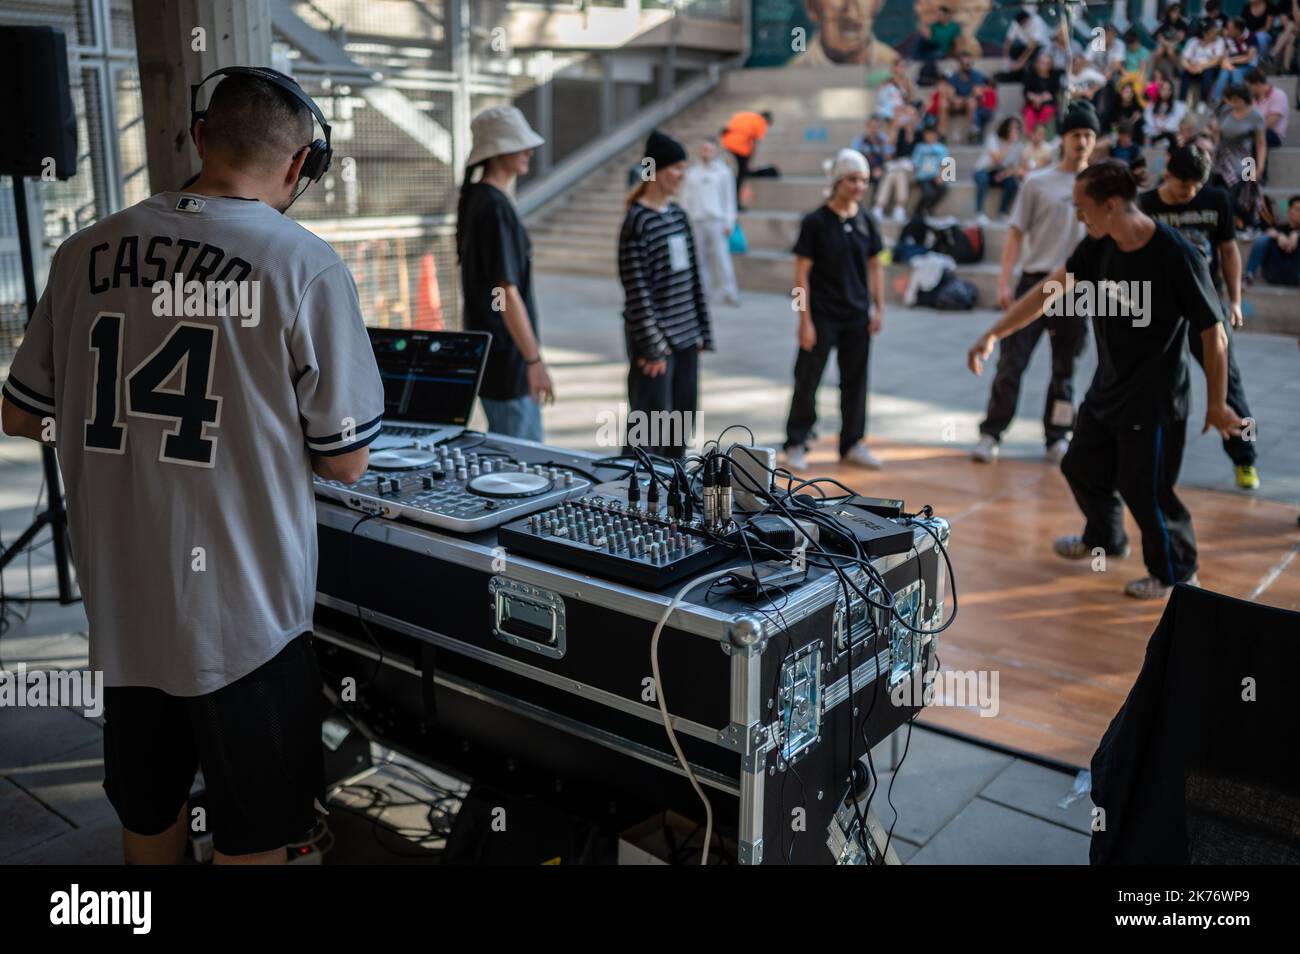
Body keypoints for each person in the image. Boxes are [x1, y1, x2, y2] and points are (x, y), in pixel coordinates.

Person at [0, 69, 385, 863]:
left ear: (198, 137)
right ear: (301, 165)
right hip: (246, 620)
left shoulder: (81, 252)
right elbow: (346, 461)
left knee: (150, 815)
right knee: (254, 832)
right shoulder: (303, 265)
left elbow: (18, 411)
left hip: (125, 609)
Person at [968, 160, 1242, 600]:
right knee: (1079, 465)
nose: (1077, 216)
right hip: (1108, 386)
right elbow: (1048, 290)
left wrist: (1217, 402)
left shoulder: (1176, 254)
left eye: (1081, 208)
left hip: (1155, 397)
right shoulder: (1099, 245)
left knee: (1147, 490)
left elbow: (1215, 332)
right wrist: (992, 334)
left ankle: (1176, 572)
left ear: (1111, 205)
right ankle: (1106, 538)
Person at [972, 100, 1098, 465]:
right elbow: (1014, 235)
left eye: (1089, 134)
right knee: (1011, 364)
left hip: (1076, 291)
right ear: (1063, 138)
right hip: (1033, 283)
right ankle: (991, 433)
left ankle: (1057, 436)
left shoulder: (1099, 186)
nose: (1082, 141)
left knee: (1065, 371)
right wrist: (1004, 282)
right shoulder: (1038, 182)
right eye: (1076, 133)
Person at [1139, 144, 1260, 490]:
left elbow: (1228, 250)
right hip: (1161, 312)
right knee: (1152, 383)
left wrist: (1235, 301)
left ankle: (1245, 458)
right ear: (1168, 174)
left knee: (1230, 385)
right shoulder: (1147, 205)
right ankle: (1147, 458)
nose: (1189, 193)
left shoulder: (1217, 200)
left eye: (1196, 186)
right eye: (1183, 186)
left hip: (1207, 307)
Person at [781, 149, 887, 471]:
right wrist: (804, 321)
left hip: (857, 315)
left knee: (856, 380)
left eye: (864, 181)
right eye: (853, 179)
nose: (859, 186)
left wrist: (879, 308)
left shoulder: (867, 220)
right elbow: (800, 275)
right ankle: (797, 441)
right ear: (838, 181)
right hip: (822, 314)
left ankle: (852, 442)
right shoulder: (815, 222)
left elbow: (875, 266)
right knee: (807, 378)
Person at [458, 105, 553, 441]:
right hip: (509, 362)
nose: (529, 151)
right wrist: (534, 360)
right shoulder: (495, 207)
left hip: (491, 357)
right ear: (499, 151)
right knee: (525, 472)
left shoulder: (474, 199)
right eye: (520, 144)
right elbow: (506, 291)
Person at [618, 130, 713, 459]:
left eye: (685, 167)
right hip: (656, 343)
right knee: (650, 426)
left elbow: (693, 279)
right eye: (676, 167)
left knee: (681, 423)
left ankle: (673, 496)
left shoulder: (678, 216)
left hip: (686, 337)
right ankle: (635, 496)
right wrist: (652, 347)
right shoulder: (637, 221)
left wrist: (702, 331)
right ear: (655, 171)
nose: (682, 175)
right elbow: (636, 289)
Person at [680, 137, 740, 306]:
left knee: (722, 258)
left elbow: (729, 199)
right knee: (700, 259)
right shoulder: (693, 173)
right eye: (704, 149)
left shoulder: (723, 173)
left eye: (709, 149)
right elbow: (686, 198)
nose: (706, 152)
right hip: (697, 220)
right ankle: (703, 291)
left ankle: (729, 291)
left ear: (715, 151)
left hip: (717, 221)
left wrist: (729, 222)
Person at [1214, 85, 1268, 224]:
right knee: (1222, 192)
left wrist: (1259, 168)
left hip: (1245, 157)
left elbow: (1261, 144)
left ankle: (1245, 222)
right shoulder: (1225, 111)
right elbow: (1218, 132)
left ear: (1245, 100)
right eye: (1232, 100)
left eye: (1237, 101)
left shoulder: (1255, 116)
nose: (1234, 104)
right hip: (1224, 156)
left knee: (1245, 192)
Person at [792, 0, 899, 68]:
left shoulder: (895, 66)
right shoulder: (793, 78)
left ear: (878, 3)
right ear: (812, 6)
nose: (851, 13)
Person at [721, 110, 777, 210]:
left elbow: (726, 128)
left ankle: (730, 200)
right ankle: (736, 203)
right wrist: (749, 162)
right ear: (767, 119)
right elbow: (755, 143)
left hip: (727, 143)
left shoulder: (743, 115)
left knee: (735, 173)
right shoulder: (761, 122)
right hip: (741, 148)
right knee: (741, 175)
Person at [973, 116, 1025, 223]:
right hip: (984, 170)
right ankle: (979, 213)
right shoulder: (993, 139)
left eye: (1017, 129)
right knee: (983, 180)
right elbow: (997, 159)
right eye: (1012, 128)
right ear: (1005, 128)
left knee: (1012, 183)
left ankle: (1003, 213)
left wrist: (1005, 174)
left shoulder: (1018, 145)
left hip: (1001, 173)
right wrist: (1009, 144)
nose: (1015, 131)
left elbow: (1013, 166)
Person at [874, 106, 918, 222]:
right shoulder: (899, 133)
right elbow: (888, 150)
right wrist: (896, 126)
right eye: (906, 114)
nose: (908, 118)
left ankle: (880, 206)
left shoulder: (922, 134)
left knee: (898, 173)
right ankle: (896, 207)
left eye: (911, 115)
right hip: (898, 169)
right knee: (895, 174)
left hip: (914, 170)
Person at [1244, 196, 1300, 286]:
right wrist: (1279, 236)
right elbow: (1268, 232)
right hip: (1274, 272)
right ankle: (1248, 275)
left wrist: (1297, 234)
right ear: (1289, 211)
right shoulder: (1279, 228)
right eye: (1298, 210)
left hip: (1296, 274)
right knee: (1264, 238)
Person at [943, 53, 992, 142]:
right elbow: (950, 93)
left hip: (973, 103)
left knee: (971, 102)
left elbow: (978, 94)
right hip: (957, 104)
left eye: (968, 63)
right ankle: (942, 134)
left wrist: (963, 100)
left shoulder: (976, 75)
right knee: (943, 104)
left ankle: (972, 132)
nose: (967, 66)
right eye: (964, 63)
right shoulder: (954, 77)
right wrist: (955, 100)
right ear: (959, 64)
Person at [1212, 18, 1260, 104]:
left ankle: (1238, 100)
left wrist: (1231, 61)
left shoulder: (1251, 36)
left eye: (1230, 29)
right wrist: (1227, 63)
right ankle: (1216, 101)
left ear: (1237, 30)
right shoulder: (1228, 37)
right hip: (1233, 64)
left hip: (1249, 66)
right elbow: (1225, 56)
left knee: (1236, 72)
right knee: (1224, 72)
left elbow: (1249, 58)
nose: (1227, 30)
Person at [1180, 20, 1226, 107]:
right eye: (1213, 31)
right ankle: (1182, 101)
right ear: (1205, 33)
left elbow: (1216, 60)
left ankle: (1202, 102)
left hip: (1209, 67)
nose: (1216, 33)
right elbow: (1184, 59)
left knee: (1208, 74)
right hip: (1193, 67)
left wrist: (1201, 67)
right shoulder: (1193, 41)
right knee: (1184, 74)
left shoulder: (1219, 41)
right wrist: (1190, 67)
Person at [911, 118, 950, 215]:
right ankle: (917, 211)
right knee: (927, 193)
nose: (929, 137)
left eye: (931, 134)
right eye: (927, 134)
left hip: (935, 176)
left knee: (944, 189)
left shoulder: (942, 148)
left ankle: (930, 208)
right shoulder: (919, 147)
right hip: (923, 176)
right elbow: (915, 164)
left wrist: (941, 177)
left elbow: (944, 164)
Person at [851, 114, 892, 201]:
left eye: (876, 127)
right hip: (864, 169)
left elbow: (888, 157)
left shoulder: (884, 139)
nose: (873, 129)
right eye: (871, 126)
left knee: (882, 177)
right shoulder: (859, 140)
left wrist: (880, 168)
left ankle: (877, 205)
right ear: (867, 126)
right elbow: (855, 157)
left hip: (880, 169)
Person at [1003, 7, 1051, 81]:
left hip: (1042, 46)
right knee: (1013, 52)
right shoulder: (1017, 23)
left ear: (1026, 20)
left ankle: (1026, 76)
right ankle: (1015, 73)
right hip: (1027, 46)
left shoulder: (1037, 22)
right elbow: (1009, 41)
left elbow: (1033, 46)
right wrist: (1006, 58)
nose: (1020, 26)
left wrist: (1021, 62)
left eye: (1022, 24)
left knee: (1032, 61)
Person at [1247, 68, 1288, 150]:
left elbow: (1270, 123)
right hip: (1255, 131)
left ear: (1257, 84)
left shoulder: (1278, 95)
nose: (1248, 90)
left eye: (1249, 87)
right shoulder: (1252, 98)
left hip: (1274, 134)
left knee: (1255, 136)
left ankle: (1257, 163)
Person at [1023, 52, 1062, 132]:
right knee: (1029, 113)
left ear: (1051, 65)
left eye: (1047, 63)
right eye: (1042, 62)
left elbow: (1053, 94)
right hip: (1032, 104)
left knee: (1047, 110)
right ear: (1037, 63)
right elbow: (1026, 92)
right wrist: (1036, 98)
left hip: (1048, 105)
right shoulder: (1030, 75)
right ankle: (1032, 137)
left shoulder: (1054, 77)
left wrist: (1040, 99)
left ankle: (1040, 133)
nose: (1045, 65)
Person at [1144, 77, 1188, 147]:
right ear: (1159, 90)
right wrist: (1157, 126)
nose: (1166, 92)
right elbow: (1148, 122)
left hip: (1168, 138)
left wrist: (1164, 127)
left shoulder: (1177, 106)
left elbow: (1176, 121)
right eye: (1163, 89)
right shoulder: (1151, 106)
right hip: (1154, 136)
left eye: (1169, 90)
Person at [1152, 3, 1191, 78]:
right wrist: (1166, 43)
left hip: (1175, 44)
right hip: (1164, 43)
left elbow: (1181, 38)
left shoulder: (1182, 24)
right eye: (1174, 12)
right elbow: (1159, 36)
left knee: (1170, 51)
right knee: (1158, 52)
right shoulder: (1164, 22)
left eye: (1178, 12)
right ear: (1170, 12)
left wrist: (1172, 44)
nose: (1176, 14)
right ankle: (1155, 70)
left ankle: (1176, 68)